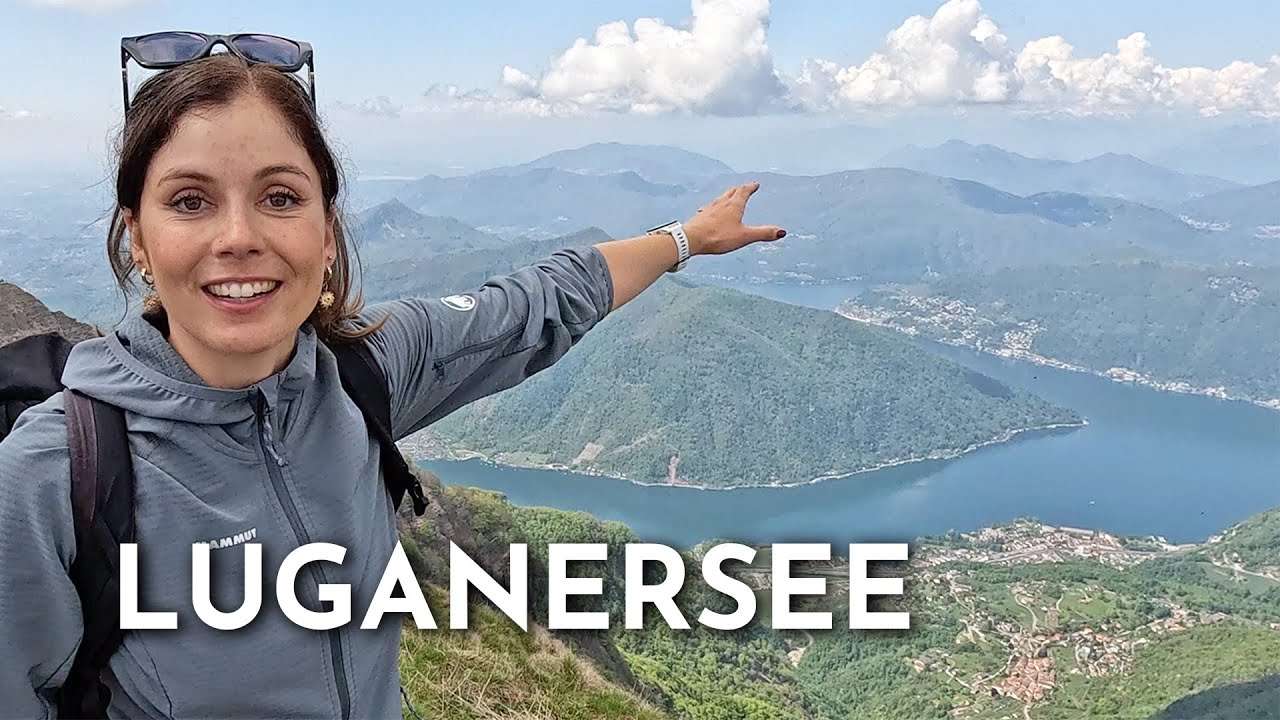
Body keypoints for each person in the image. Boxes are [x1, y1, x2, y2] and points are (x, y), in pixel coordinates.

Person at [0, 35, 785, 719]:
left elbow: (540, 303)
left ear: (328, 232)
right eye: (190, 201)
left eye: (280, 196)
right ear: (137, 236)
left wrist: (687, 238)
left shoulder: (362, 373)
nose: (238, 238)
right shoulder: (52, 476)